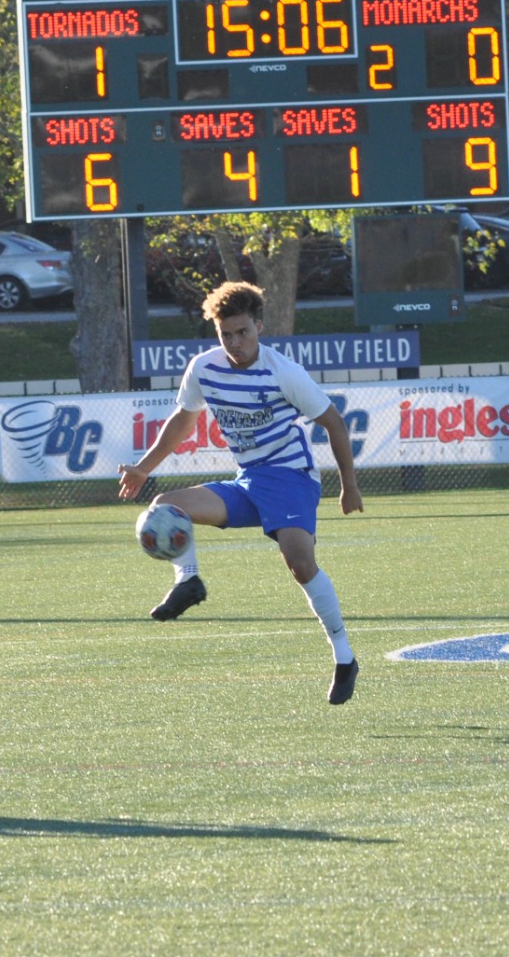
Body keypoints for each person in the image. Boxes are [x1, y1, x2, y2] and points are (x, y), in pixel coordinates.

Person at [118, 281, 366, 704]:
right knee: (165, 506)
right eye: (226, 334)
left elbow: (334, 424)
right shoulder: (204, 368)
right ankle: (188, 582)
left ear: (259, 327)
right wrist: (143, 468)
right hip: (248, 480)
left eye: (243, 332)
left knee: (300, 564)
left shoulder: (284, 372)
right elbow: (183, 420)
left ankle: (344, 658)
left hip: (291, 478)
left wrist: (349, 485)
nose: (235, 343)